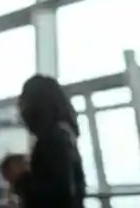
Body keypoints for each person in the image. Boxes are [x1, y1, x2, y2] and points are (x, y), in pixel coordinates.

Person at [11, 75, 86, 208]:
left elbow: (57, 195)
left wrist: (21, 179)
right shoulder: (64, 135)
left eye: (24, 101)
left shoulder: (53, 139)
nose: (21, 108)